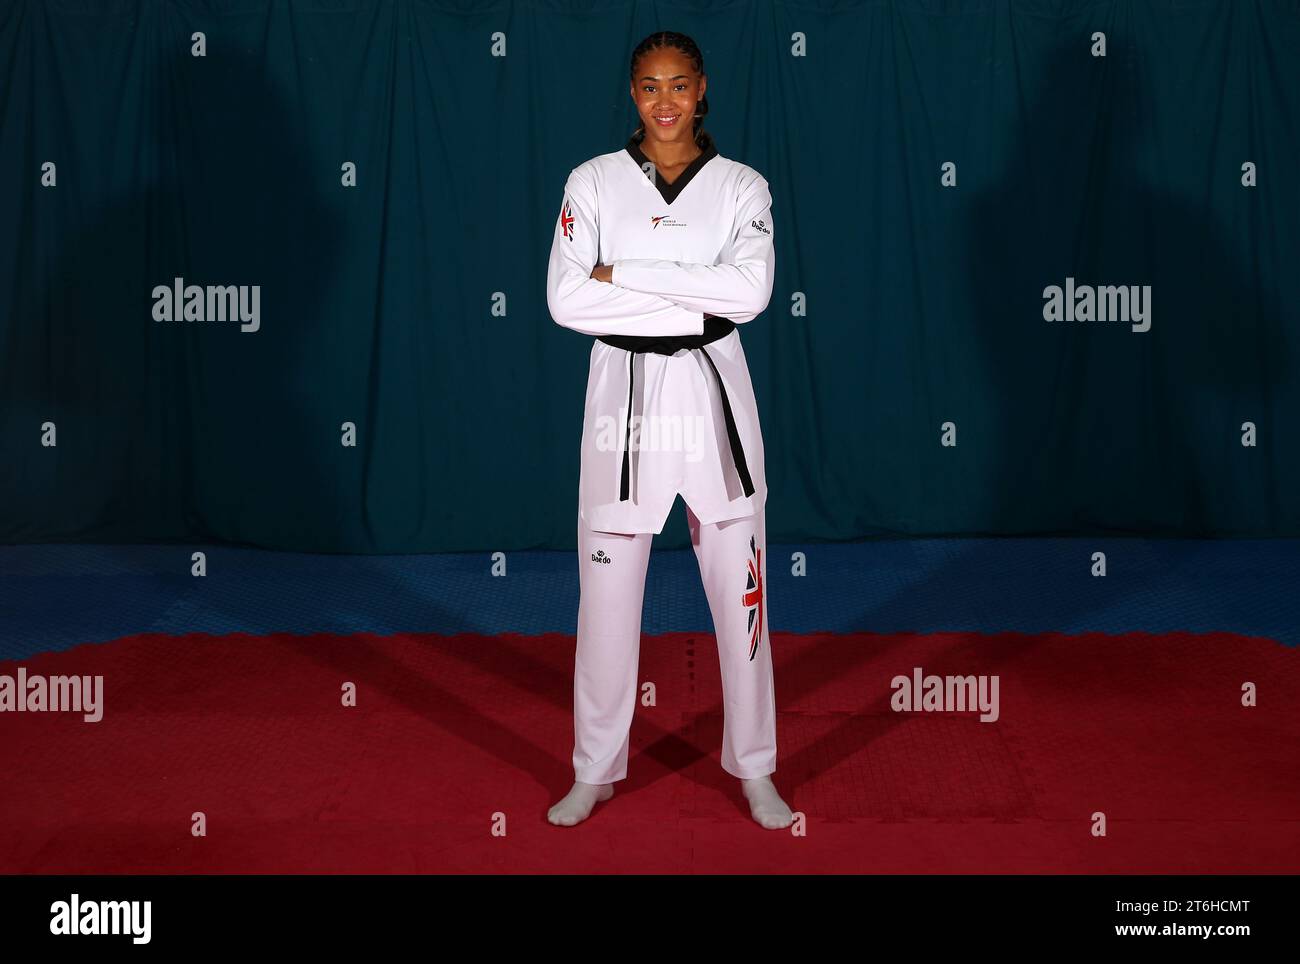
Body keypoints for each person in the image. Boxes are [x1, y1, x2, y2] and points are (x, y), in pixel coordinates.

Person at [545, 31, 791, 830]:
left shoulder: (741, 186)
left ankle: (755, 767)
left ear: (702, 88)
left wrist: (627, 274)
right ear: (632, 93)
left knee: (743, 601)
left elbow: (750, 294)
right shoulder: (593, 183)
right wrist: (695, 291)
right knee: (607, 600)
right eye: (649, 87)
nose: (664, 103)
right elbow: (567, 302)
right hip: (625, 404)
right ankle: (595, 767)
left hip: (714, 397)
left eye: (677, 85)